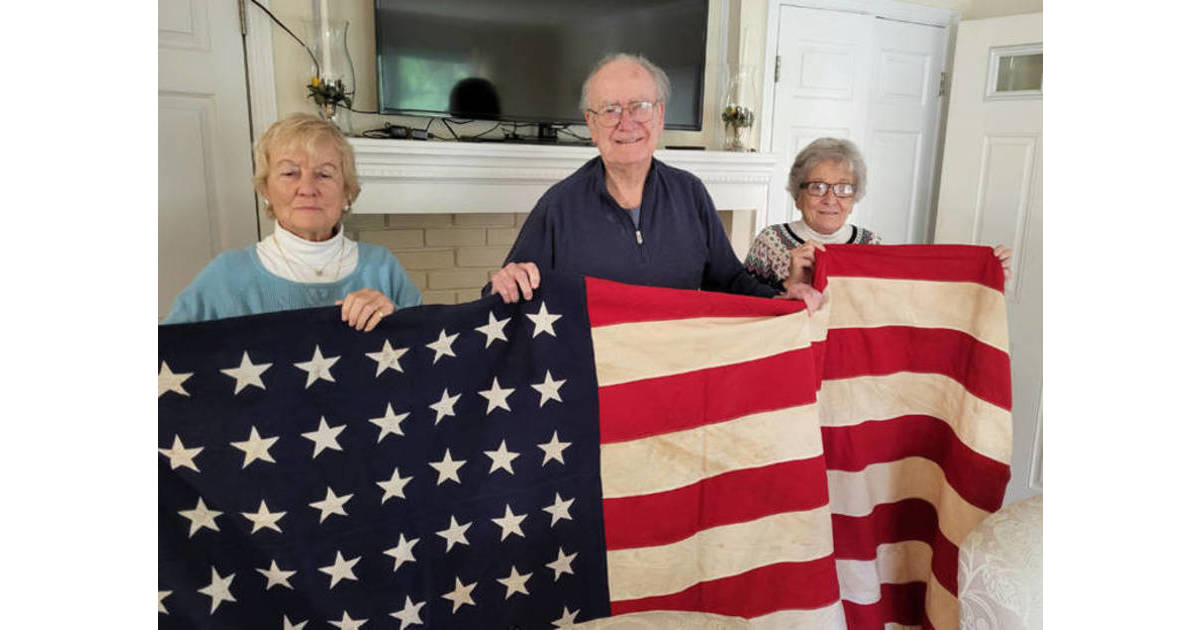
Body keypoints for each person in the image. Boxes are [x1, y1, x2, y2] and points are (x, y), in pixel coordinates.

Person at [486, 53, 819, 309]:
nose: (626, 122)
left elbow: (730, 280)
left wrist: (782, 299)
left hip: (673, 372)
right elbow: (504, 290)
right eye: (610, 110)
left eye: (639, 107)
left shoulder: (691, 193)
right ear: (591, 123)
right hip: (594, 377)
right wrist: (505, 280)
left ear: (660, 116)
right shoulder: (558, 205)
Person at [162, 113, 421, 330]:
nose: (307, 188)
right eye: (289, 173)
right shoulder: (227, 275)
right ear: (266, 190)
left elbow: (425, 355)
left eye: (324, 174)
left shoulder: (383, 268)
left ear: (347, 191)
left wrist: (395, 320)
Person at [744, 137, 1012, 289]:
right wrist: (790, 284)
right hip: (793, 357)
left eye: (843, 188)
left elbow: (911, 298)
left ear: (855, 196)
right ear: (797, 195)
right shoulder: (771, 241)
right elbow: (746, 311)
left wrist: (986, 272)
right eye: (817, 187)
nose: (830, 199)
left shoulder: (871, 245)